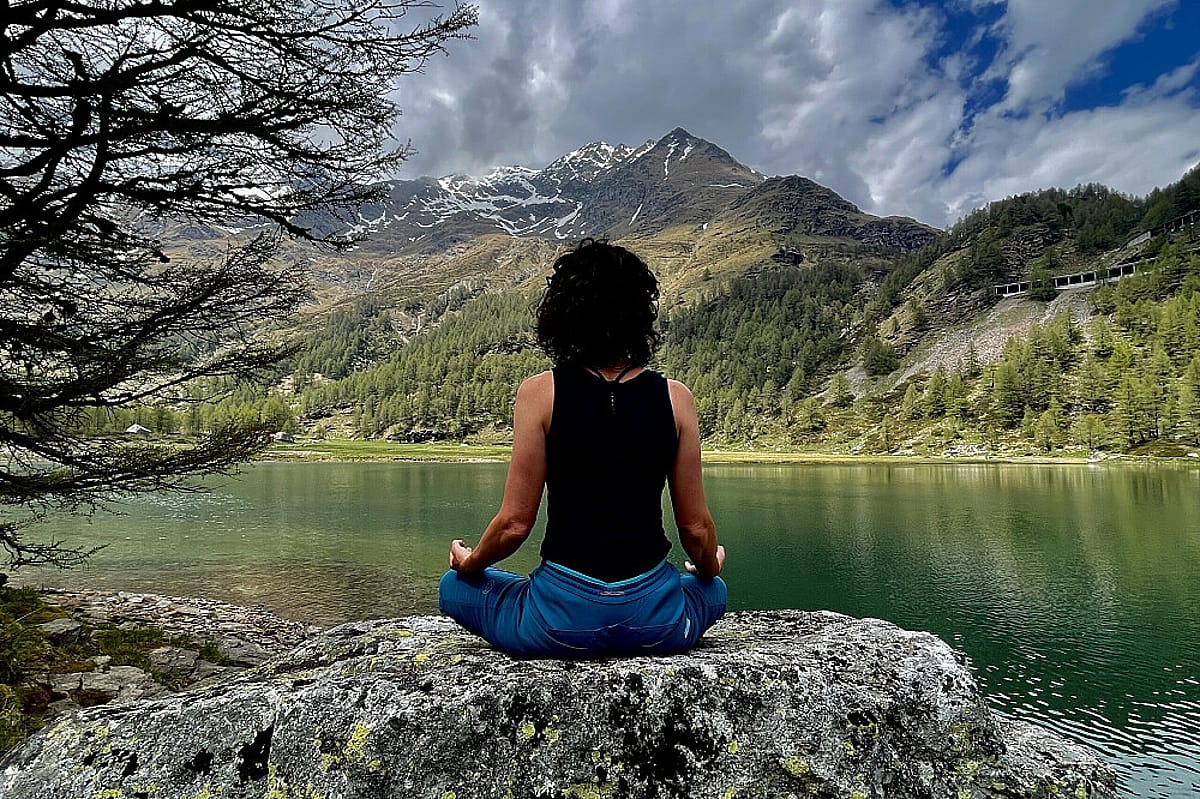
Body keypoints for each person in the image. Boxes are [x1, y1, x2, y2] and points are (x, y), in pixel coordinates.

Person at [438, 238, 727, 658]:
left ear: (564, 315)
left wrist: (471, 563)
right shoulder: (676, 397)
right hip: (655, 622)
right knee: (712, 589)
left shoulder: (539, 393)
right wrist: (709, 566)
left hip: (558, 624)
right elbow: (696, 529)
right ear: (638, 315)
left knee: (454, 587)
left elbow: (515, 524)